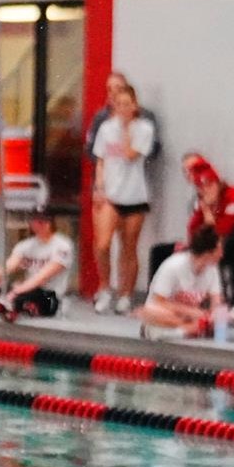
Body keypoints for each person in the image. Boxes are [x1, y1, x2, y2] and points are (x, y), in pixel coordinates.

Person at [89, 84, 155, 315]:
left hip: (134, 195)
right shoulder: (106, 129)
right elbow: (100, 160)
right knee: (103, 243)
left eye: (128, 104)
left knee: (129, 247)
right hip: (111, 195)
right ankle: (105, 287)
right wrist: (99, 187)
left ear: (135, 106)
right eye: (119, 104)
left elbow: (129, 155)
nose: (123, 108)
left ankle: (125, 294)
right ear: (113, 105)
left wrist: (127, 128)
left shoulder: (144, 129)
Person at [184, 156, 234, 309]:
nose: (205, 190)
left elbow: (223, 230)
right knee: (179, 251)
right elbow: (193, 231)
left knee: (233, 243)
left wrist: (208, 216)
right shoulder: (201, 203)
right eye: (201, 187)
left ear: (218, 183)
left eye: (209, 185)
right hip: (226, 243)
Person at [0, 213, 73, 320]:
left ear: (50, 223)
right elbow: (10, 265)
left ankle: (12, 307)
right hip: (28, 289)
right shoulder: (26, 245)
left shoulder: (62, 245)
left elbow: (43, 277)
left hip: (51, 295)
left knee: (29, 295)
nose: (39, 225)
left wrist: (17, 291)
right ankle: (2, 304)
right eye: (36, 221)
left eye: (43, 222)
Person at [140, 227, 226, 338]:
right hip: (169, 315)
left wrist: (214, 316)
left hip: (188, 318)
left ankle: (180, 331)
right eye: (219, 250)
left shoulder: (212, 270)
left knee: (221, 315)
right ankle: (181, 330)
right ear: (208, 253)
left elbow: (217, 302)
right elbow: (159, 302)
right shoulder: (173, 266)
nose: (222, 254)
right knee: (151, 311)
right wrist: (190, 311)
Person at [82, 72, 162, 165]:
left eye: (118, 88)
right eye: (109, 89)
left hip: (135, 174)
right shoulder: (101, 118)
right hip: (108, 175)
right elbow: (91, 148)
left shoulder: (145, 117)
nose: (113, 93)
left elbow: (154, 149)